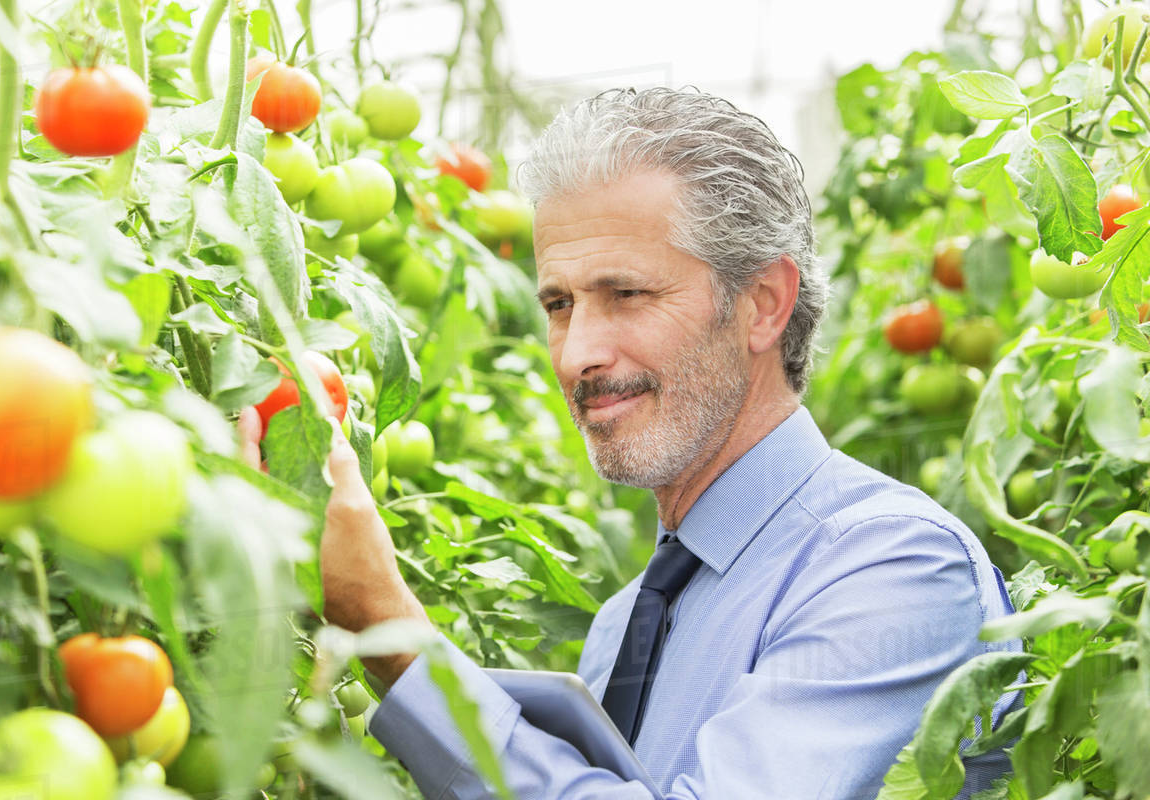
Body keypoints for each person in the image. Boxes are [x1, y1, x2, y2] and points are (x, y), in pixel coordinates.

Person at [271, 88, 1021, 799]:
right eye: (559, 304)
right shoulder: (623, 625)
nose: (576, 355)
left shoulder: (892, 568)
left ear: (762, 305)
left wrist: (392, 633)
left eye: (626, 294)